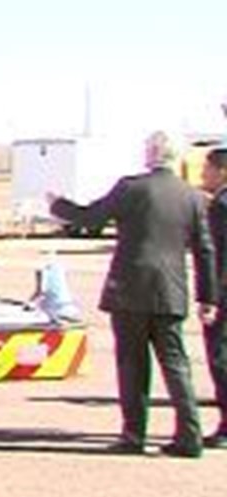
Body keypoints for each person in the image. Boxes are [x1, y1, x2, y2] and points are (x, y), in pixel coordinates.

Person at [50, 129, 217, 457]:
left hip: (129, 288)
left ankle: (133, 434)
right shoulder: (193, 197)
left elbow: (90, 217)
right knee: (176, 364)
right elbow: (205, 251)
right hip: (170, 290)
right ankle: (189, 434)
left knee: (132, 363)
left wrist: (58, 205)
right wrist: (207, 297)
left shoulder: (130, 188)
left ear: (150, 155)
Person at [200, 147, 227, 447]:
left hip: (224, 294)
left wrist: (212, 298)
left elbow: (217, 257)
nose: (203, 174)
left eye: (207, 168)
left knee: (221, 358)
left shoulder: (221, 206)